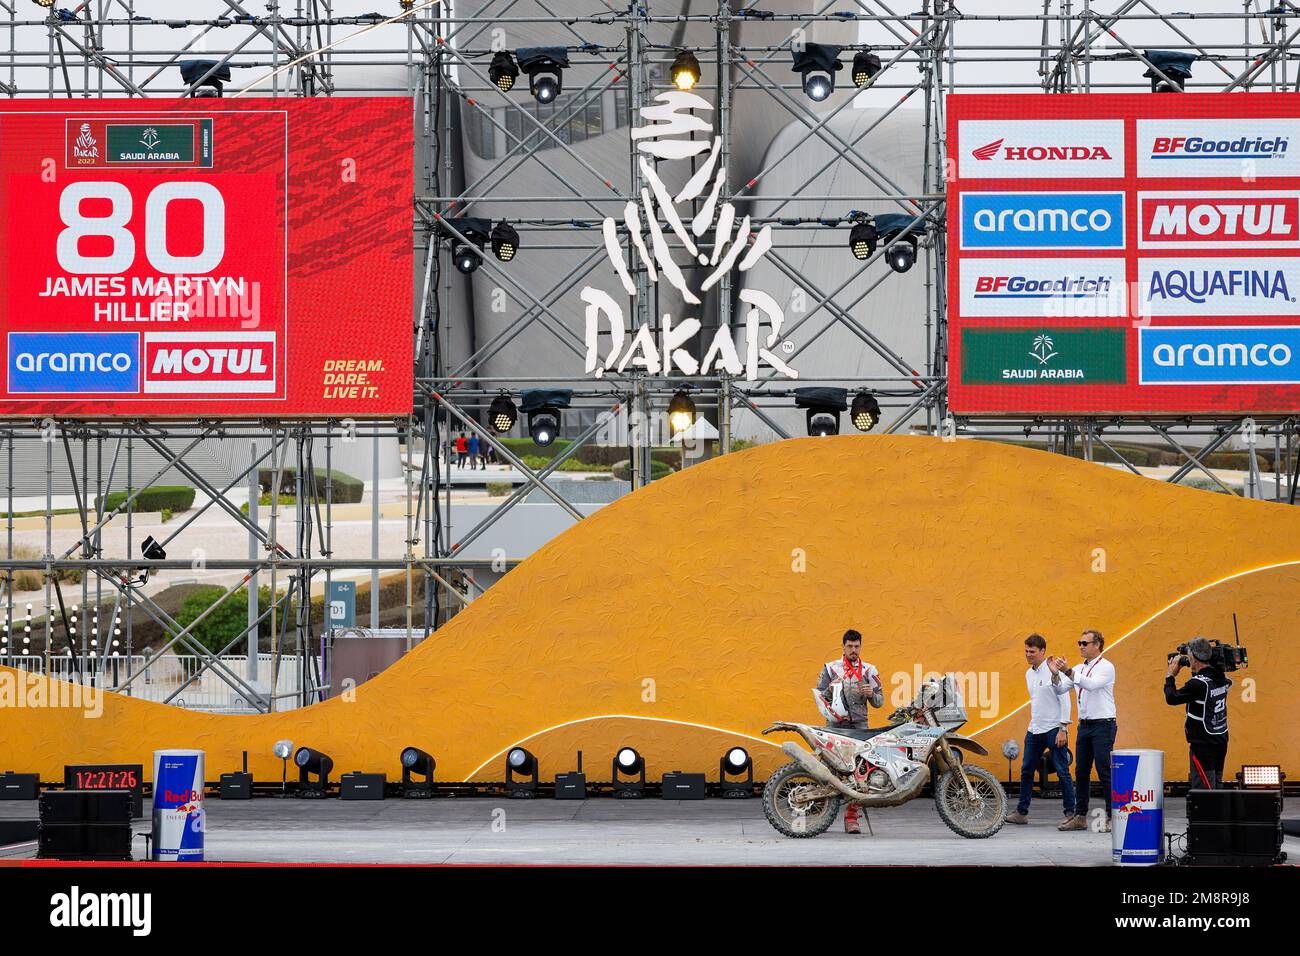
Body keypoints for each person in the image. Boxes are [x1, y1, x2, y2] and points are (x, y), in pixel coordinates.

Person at [816, 629, 883, 835]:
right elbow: (819, 697)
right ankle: (820, 812)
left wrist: (872, 694)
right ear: (843, 647)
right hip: (835, 726)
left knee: (860, 773)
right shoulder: (830, 668)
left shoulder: (869, 670)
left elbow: (880, 702)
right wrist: (830, 690)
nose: (853, 650)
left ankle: (852, 818)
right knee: (827, 769)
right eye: (849, 646)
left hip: (860, 727)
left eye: (857, 646)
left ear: (860, 647)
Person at [1006, 633, 1076, 825]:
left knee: (1062, 771)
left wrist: (1064, 728)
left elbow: (1065, 700)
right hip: (1034, 729)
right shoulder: (1029, 674)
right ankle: (1022, 812)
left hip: (1054, 728)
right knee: (1027, 769)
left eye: (1032, 651)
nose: (1028, 655)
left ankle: (1071, 813)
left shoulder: (1055, 670)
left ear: (1043, 651)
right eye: (1026, 651)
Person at [1053, 629, 1117, 832]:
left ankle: (1111, 816)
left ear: (1097, 645)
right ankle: (1080, 816)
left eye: (1084, 643)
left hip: (1103, 725)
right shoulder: (1080, 667)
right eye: (1079, 643)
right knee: (1081, 771)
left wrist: (1068, 671)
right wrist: (1055, 676)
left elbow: (1090, 685)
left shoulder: (1106, 667)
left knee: (1104, 770)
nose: (1080, 646)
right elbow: (1060, 689)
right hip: (1085, 725)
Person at [1165, 636, 1231, 789]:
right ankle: (1217, 812)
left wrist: (1170, 676)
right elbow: (1203, 678)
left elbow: (1171, 698)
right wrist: (1194, 666)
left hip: (1203, 744)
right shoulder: (1219, 677)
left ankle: (1206, 813)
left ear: (1193, 658)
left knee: (1204, 789)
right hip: (1220, 739)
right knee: (1216, 784)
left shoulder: (1197, 685)